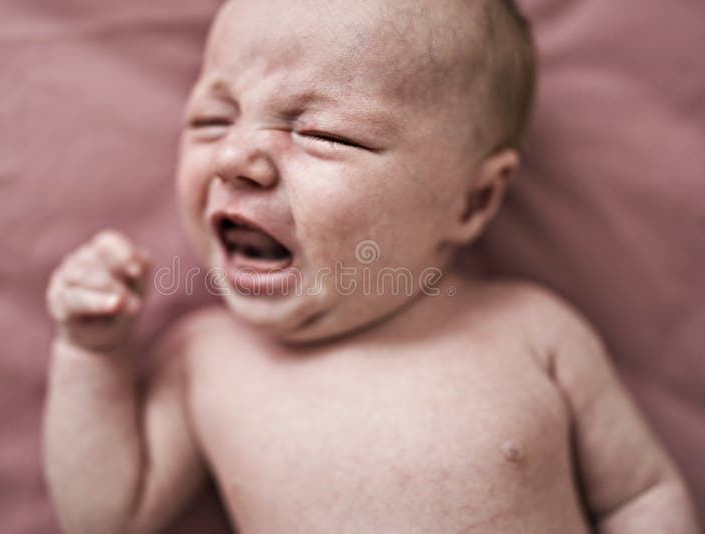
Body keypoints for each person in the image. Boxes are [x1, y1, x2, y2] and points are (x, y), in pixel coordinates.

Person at [43, 0, 700, 532]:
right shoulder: (203, 357)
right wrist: (91, 354)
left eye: (325, 134)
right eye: (212, 120)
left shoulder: (531, 327)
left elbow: (639, 495)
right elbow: (104, 514)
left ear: (473, 200)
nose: (234, 156)